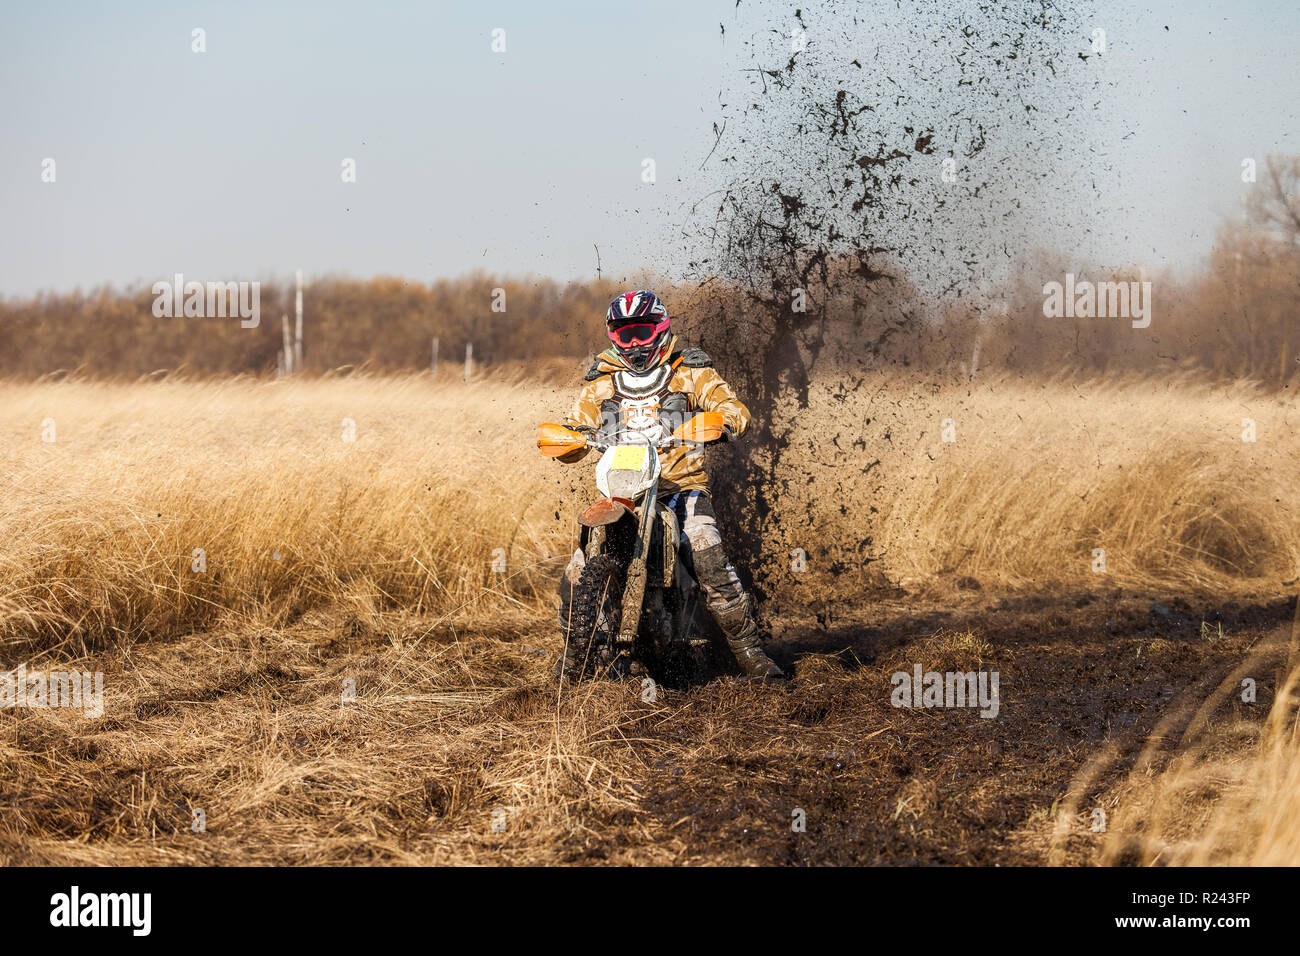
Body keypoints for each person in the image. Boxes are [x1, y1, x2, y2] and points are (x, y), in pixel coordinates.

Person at [554, 290, 783, 680]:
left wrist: (722, 423)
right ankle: (573, 659)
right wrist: (570, 438)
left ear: (660, 328)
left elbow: (733, 409)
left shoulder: (691, 372)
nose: (634, 343)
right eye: (625, 336)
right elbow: (576, 424)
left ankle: (751, 654)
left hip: (680, 486)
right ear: (613, 337)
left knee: (706, 548)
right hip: (621, 491)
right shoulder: (600, 383)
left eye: (641, 332)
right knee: (578, 568)